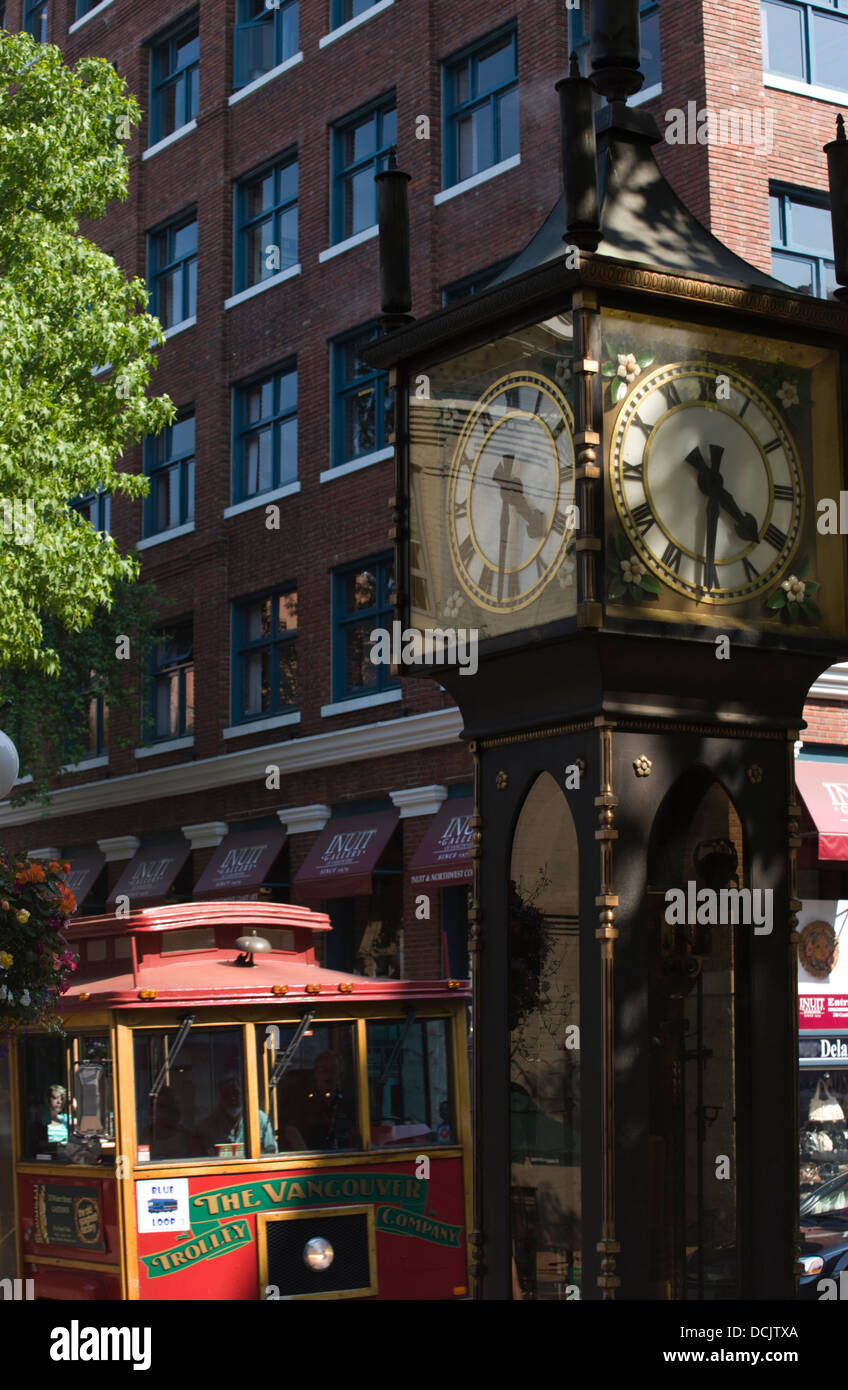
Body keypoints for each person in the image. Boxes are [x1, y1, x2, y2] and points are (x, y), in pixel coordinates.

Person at [282, 1051, 358, 1151]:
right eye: (323, 1069)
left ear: (340, 1074)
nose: (328, 1074)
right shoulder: (302, 1102)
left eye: (333, 1069)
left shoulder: (347, 1103)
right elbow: (291, 1131)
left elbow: (355, 1134)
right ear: (315, 1074)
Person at [196, 1076, 276, 1156]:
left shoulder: (260, 1119)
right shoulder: (207, 1125)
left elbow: (271, 1152)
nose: (232, 1098)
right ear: (220, 1098)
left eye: (236, 1093)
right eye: (226, 1094)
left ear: (244, 1095)